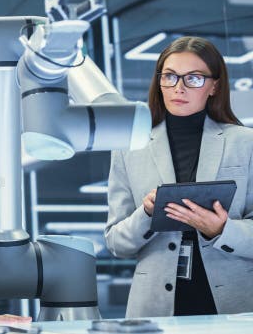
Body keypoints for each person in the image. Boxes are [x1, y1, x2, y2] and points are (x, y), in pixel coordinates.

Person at [105, 36, 253, 318]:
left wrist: (222, 230)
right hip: (154, 308)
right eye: (170, 77)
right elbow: (116, 243)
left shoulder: (245, 143)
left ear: (214, 86)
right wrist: (146, 213)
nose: (178, 88)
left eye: (193, 78)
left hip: (236, 304)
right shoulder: (130, 147)